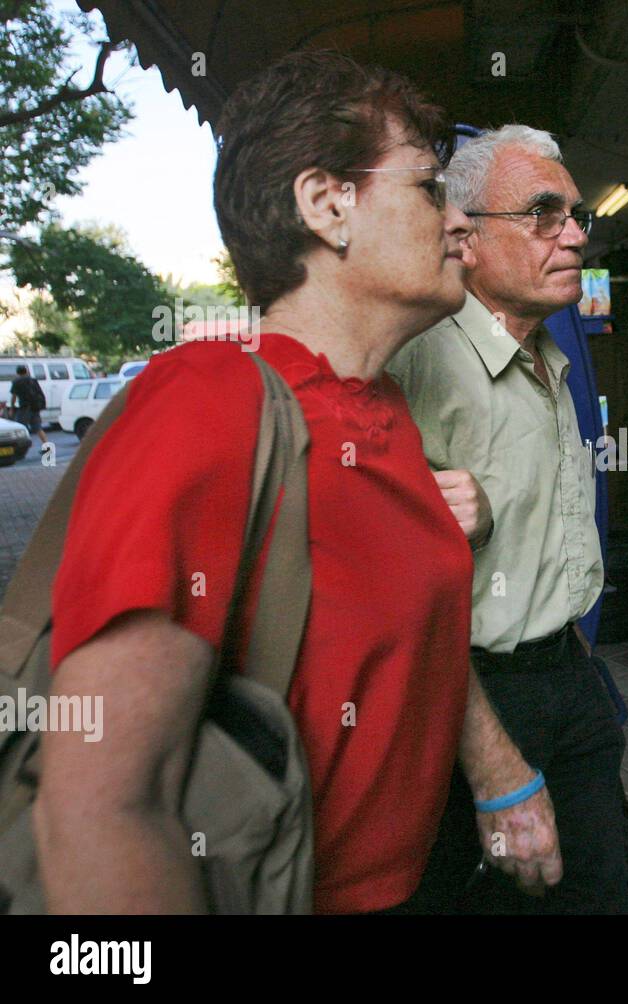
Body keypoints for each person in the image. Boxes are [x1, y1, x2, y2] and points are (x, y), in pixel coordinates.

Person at [32, 50, 501, 914]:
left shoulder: (383, 407)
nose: (461, 222)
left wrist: (505, 782)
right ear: (328, 206)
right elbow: (100, 813)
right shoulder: (204, 403)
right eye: (431, 188)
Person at [387, 124, 622, 914]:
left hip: (573, 677)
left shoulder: (551, 354)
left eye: (577, 213)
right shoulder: (418, 358)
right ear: (469, 239)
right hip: (475, 697)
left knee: (591, 890)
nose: (577, 234)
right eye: (544, 214)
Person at [8, 365, 48, 448]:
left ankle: (26, 445)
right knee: (38, 428)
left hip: (24, 408)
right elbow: (39, 392)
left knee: (21, 427)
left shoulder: (16, 382)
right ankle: (47, 446)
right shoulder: (33, 380)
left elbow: (14, 397)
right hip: (35, 407)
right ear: (26, 371)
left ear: (17, 373)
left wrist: (11, 409)